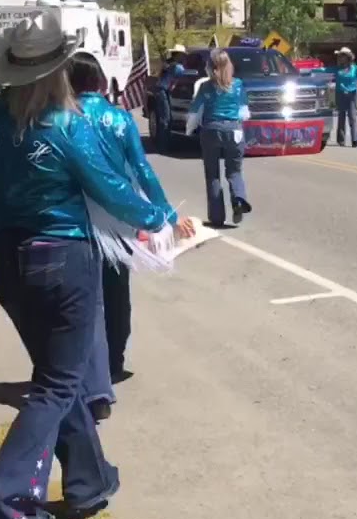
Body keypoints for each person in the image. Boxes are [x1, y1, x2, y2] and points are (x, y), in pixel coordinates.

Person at [0, 12, 189, 519]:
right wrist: (164, 220)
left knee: (54, 377)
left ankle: (89, 481)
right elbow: (113, 189)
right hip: (62, 260)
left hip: (8, 261)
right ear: (59, 67)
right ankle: (4, 506)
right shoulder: (67, 123)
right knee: (57, 386)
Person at [68, 53, 188, 396]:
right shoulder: (118, 119)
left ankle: (85, 371)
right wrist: (166, 214)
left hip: (74, 220)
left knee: (82, 299)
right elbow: (142, 171)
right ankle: (114, 362)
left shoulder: (61, 119)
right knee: (116, 293)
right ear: (101, 82)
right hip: (117, 219)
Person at [185, 48, 252, 226]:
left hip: (211, 131)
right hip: (234, 131)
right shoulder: (237, 85)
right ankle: (238, 199)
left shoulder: (206, 86)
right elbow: (245, 112)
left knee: (212, 174)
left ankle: (217, 217)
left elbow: (195, 111)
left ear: (210, 67)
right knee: (234, 171)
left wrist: (189, 130)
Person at [311, 47, 357, 147]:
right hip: (340, 94)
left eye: (342, 56)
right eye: (339, 56)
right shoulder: (337, 69)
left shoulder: (355, 68)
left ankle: (356, 139)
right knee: (341, 116)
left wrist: (353, 89)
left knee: (352, 117)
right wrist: (310, 70)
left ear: (348, 57)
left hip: (352, 94)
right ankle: (341, 139)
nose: (340, 58)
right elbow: (323, 70)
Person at [152, 45, 188, 149]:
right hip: (163, 90)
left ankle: (163, 141)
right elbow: (181, 76)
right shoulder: (177, 67)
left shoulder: (167, 64)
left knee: (165, 117)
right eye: (182, 55)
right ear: (179, 54)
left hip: (161, 90)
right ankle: (163, 144)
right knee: (166, 118)